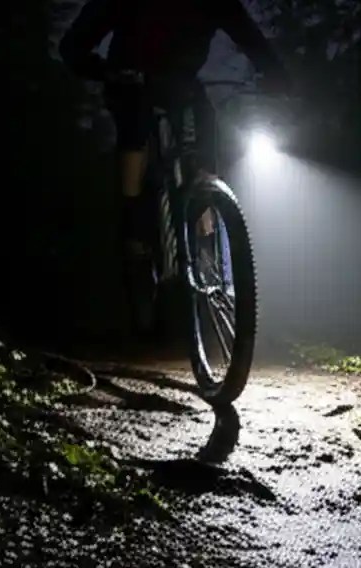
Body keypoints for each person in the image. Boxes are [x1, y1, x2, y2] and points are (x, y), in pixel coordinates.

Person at [59, 0, 289, 326]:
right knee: (135, 134)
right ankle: (134, 229)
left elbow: (248, 35)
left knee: (205, 135)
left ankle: (207, 215)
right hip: (130, 81)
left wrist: (276, 75)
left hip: (180, 85)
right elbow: (72, 45)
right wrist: (103, 70)